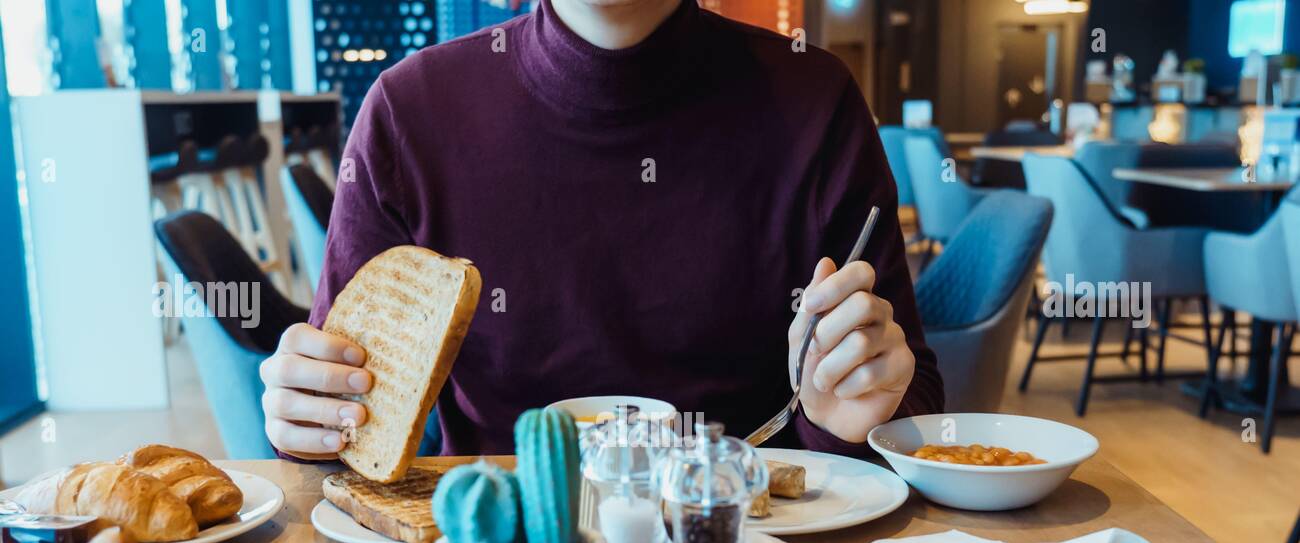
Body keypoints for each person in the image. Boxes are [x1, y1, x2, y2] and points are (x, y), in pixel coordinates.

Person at [260, 0, 943, 461]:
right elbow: (345, 427)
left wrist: (849, 419)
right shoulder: (409, 117)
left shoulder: (815, 103)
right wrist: (310, 414)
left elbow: (912, 400)